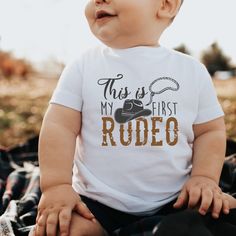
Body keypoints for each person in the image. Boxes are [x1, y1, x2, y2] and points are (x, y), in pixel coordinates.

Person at [33, 0, 232, 235]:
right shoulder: (83, 66)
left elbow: (210, 131)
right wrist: (57, 185)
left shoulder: (192, 71)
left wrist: (204, 177)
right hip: (96, 203)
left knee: (214, 218)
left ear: (166, 5)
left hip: (175, 201)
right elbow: (59, 126)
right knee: (59, 230)